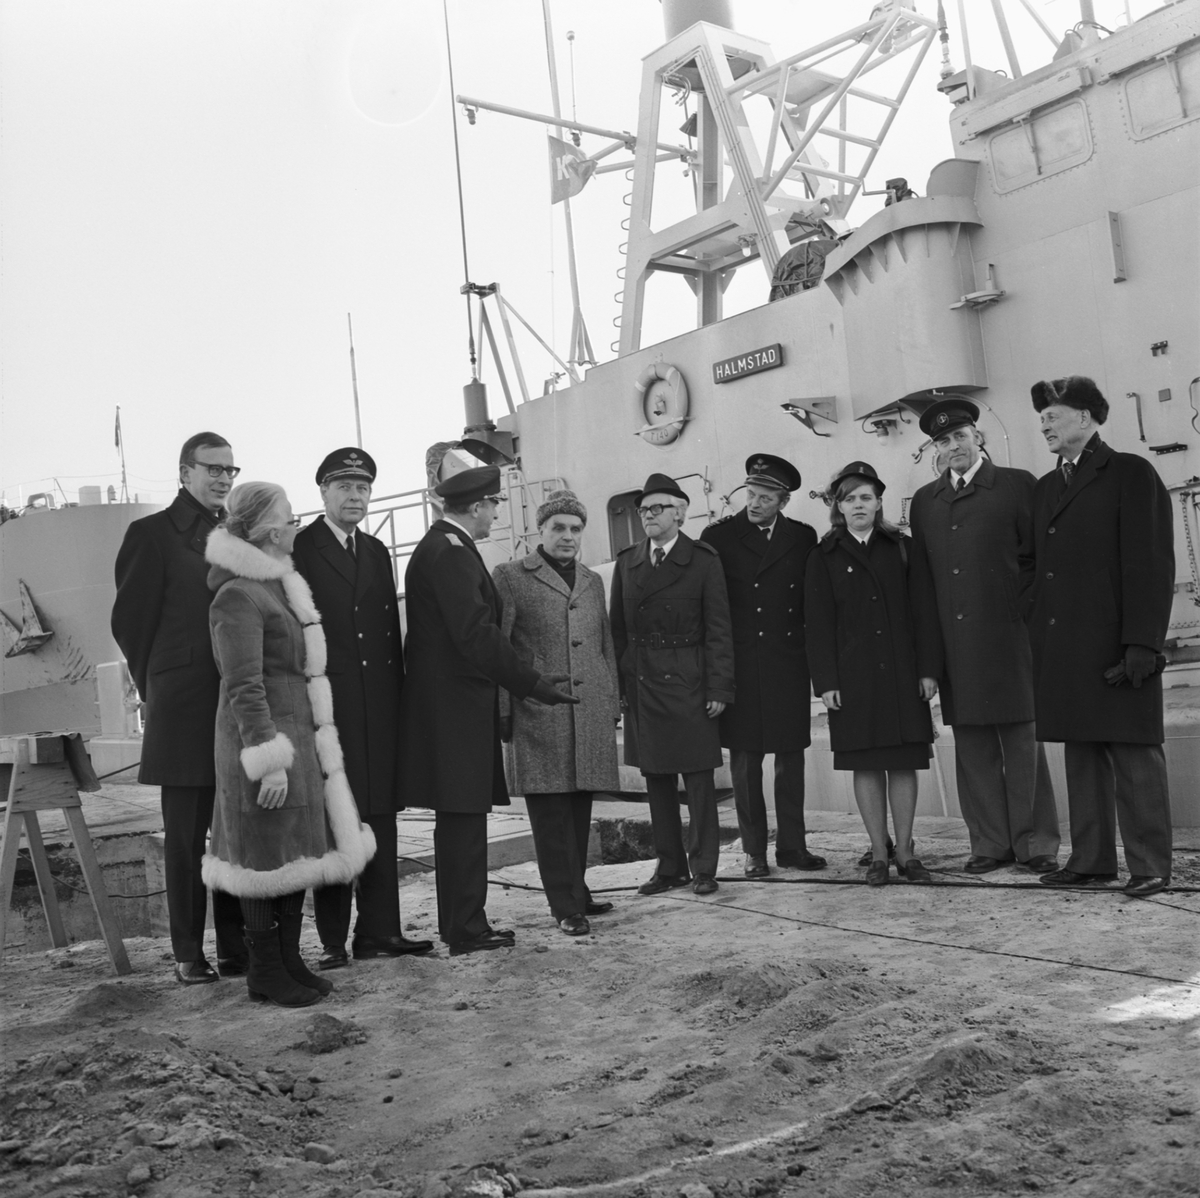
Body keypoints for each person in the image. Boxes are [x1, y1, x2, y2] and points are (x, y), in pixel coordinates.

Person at [203, 482, 377, 1005]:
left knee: (293, 851)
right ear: (269, 531)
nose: (298, 525)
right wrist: (268, 761)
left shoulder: (275, 586)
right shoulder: (238, 595)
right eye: (291, 517)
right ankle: (264, 972)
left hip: (296, 738)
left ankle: (289, 960)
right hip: (264, 744)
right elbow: (243, 683)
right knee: (263, 859)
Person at [398, 465, 579, 954]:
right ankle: (465, 929)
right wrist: (532, 684)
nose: (497, 512)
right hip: (456, 708)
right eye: (494, 504)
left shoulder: (440, 547)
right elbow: (476, 634)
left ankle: (461, 923)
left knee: (461, 819)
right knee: (463, 820)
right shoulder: (452, 553)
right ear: (477, 506)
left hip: (449, 705)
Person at [1025, 376, 1175, 898]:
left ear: (1085, 418)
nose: (1043, 423)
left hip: (1116, 644)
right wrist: (1035, 618)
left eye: (1053, 415)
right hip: (1064, 646)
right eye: (1041, 417)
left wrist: (1143, 643)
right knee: (1082, 755)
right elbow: (1031, 566)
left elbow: (1150, 561)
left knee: (1135, 757)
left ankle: (1150, 863)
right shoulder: (1047, 487)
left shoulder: (1131, 472)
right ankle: (1091, 861)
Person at [111, 432, 245, 984]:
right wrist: (160, 683)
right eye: (211, 468)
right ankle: (190, 953)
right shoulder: (152, 535)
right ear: (185, 471)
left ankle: (238, 948)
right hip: (185, 706)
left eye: (229, 470)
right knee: (187, 835)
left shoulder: (236, 536)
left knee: (236, 831)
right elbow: (130, 623)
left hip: (235, 702)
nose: (221, 478)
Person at [291, 448, 432, 970]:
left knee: (381, 820)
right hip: (328, 708)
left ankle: (380, 932)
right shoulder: (301, 548)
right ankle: (332, 942)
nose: (355, 497)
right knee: (333, 823)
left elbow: (388, 635)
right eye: (344, 487)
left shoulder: (375, 551)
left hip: (378, 707)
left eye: (363, 488)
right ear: (323, 493)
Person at [909, 399, 1060, 875]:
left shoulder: (1017, 486)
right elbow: (924, 584)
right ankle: (989, 845)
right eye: (942, 440)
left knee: (1021, 745)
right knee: (973, 748)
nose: (952, 446)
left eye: (959, 436)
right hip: (957, 648)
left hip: (1011, 639)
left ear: (978, 437)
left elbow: (1039, 562)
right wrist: (930, 661)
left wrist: (1024, 618)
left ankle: (1036, 844)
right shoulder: (926, 502)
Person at [804, 462, 943, 887]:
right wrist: (826, 682)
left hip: (903, 673)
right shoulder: (823, 555)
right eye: (850, 498)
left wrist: (928, 671)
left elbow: (924, 610)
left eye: (866, 497)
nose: (859, 505)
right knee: (865, 765)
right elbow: (818, 623)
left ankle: (905, 851)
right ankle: (878, 854)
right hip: (853, 679)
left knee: (903, 763)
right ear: (838, 507)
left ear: (879, 502)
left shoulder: (902, 546)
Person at [493, 490, 621, 936]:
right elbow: (500, 649)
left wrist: (611, 703)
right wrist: (504, 712)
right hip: (538, 715)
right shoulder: (510, 577)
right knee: (550, 816)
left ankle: (578, 891)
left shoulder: (591, 579)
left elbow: (604, 645)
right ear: (541, 531)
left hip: (588, 713)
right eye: (558, 528)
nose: (568, 536)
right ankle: (564, 907)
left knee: (580, 809)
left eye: (575, 529)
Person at [610, 473, 735, 897]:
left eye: (657, 508)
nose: (648, 515)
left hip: (690, 679)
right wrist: (621, 686)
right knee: (656, 779)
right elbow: (618, 633)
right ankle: (669, 868)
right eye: (643, 509)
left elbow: (719, 629)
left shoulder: (703, 560)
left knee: (699, 779)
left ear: (680, 512)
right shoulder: (627, 562)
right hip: (642, 681)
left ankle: (703, 868)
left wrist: (719, 687)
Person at [700, 454, 825, 877]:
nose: (754, 504)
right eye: (751, 494)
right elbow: (712, 610)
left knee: (791, 760)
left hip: (788, 662)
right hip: (742, 663)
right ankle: (754, 851)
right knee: (746, 762)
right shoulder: (718, 538)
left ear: (783, 501)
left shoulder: (803, 538)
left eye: (765, 498)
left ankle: (793, 847)